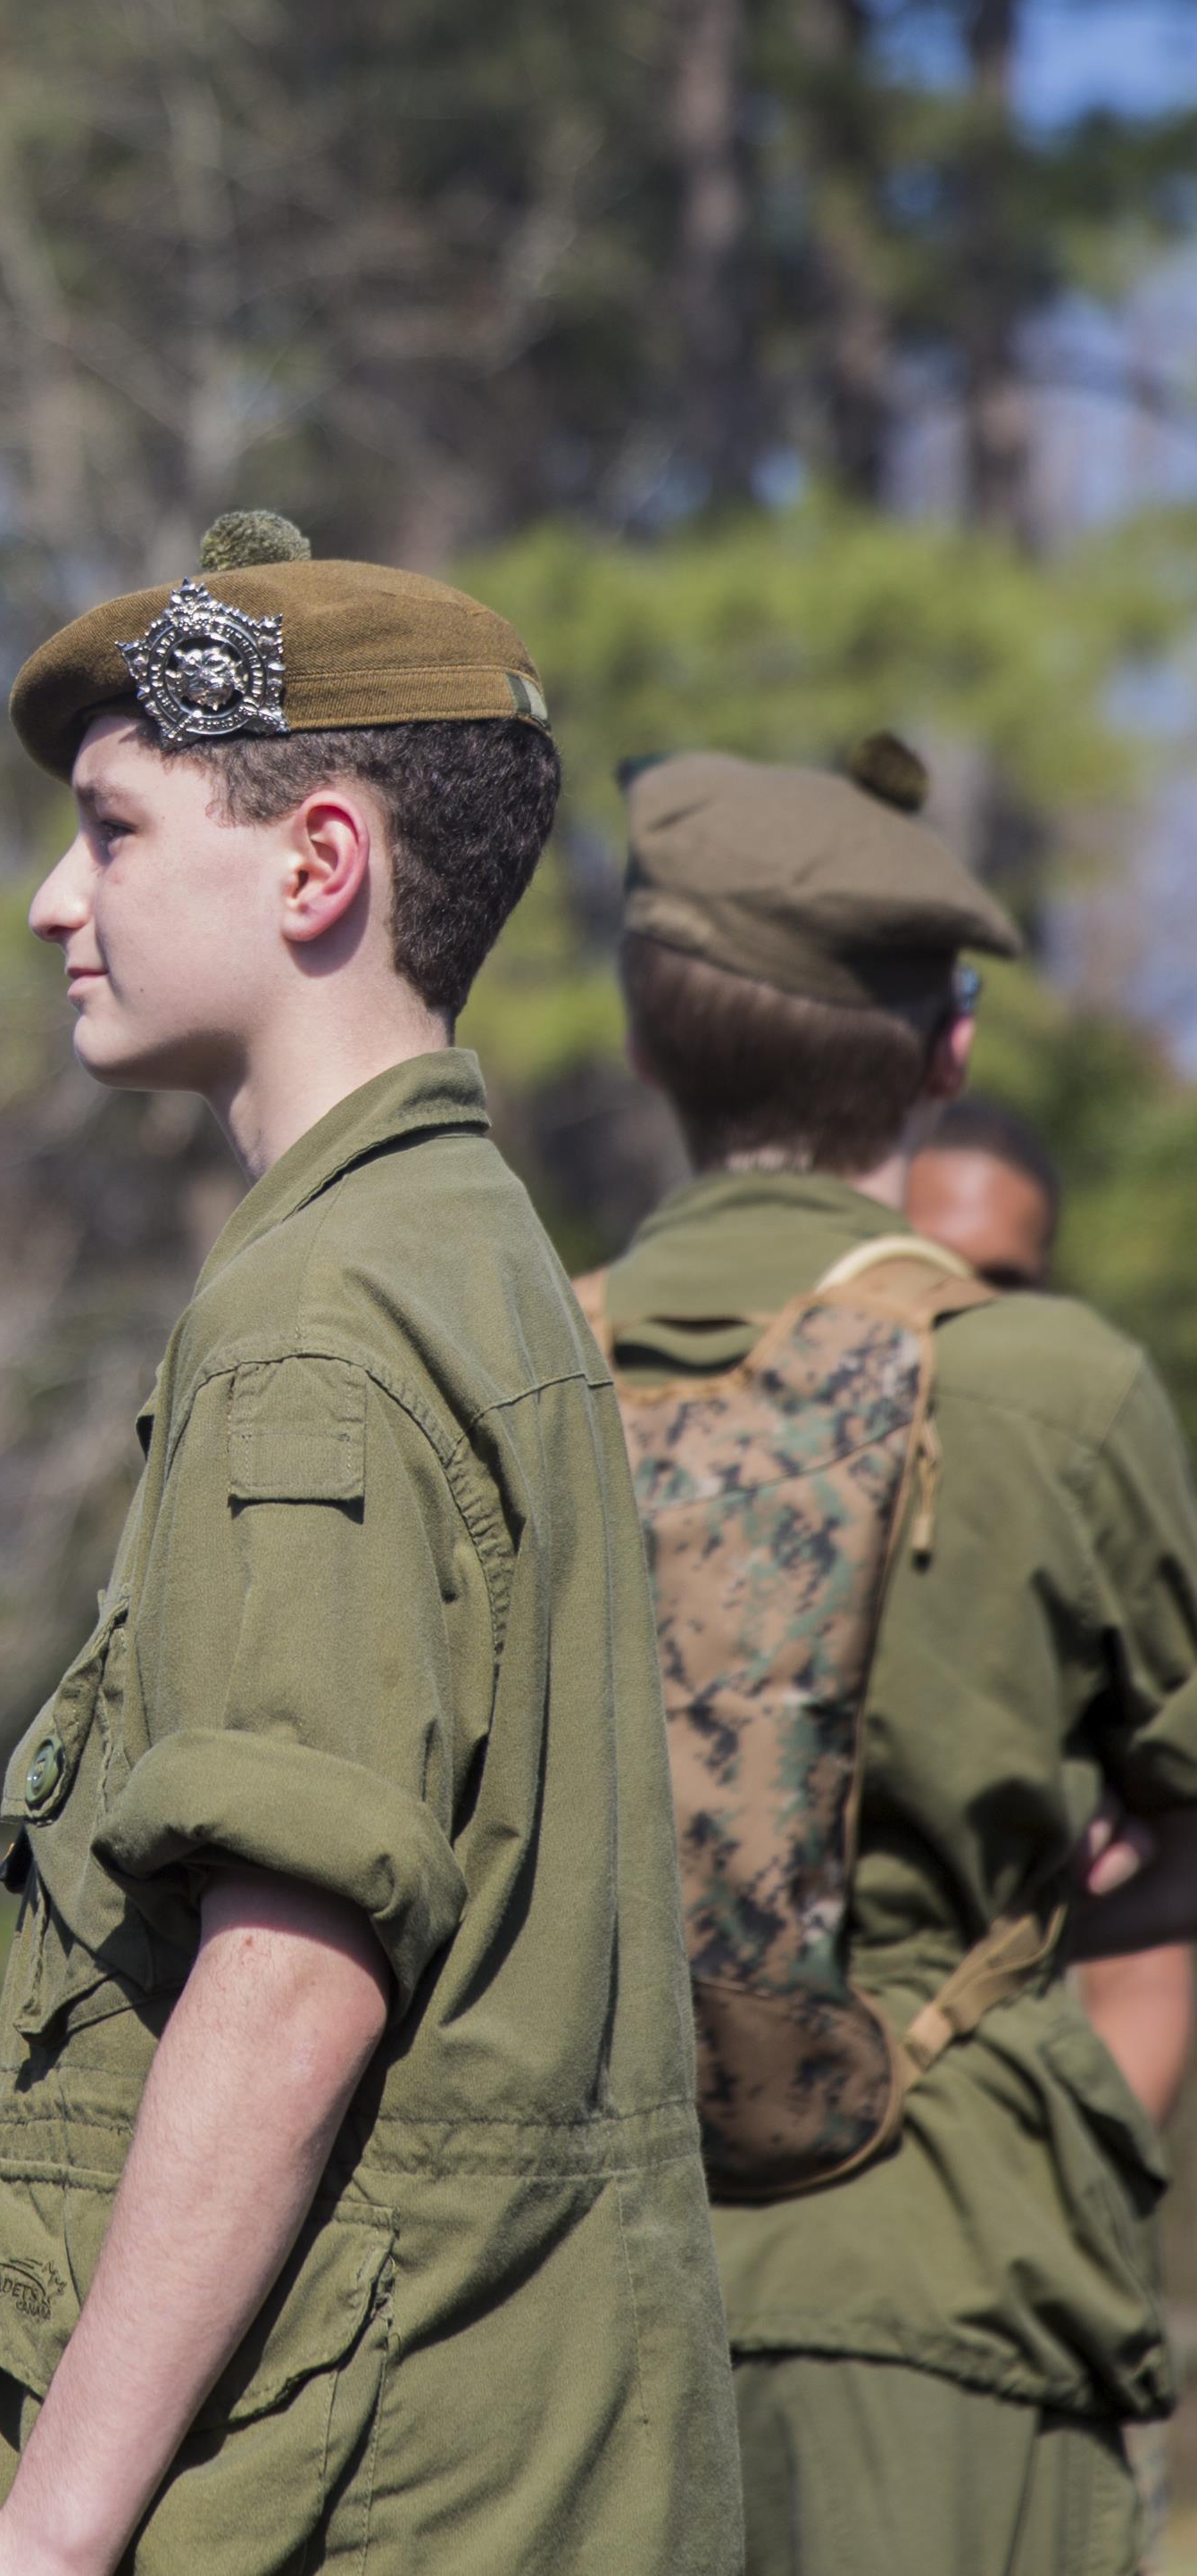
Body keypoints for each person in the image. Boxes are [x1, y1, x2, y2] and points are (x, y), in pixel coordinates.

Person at [0, 514, 737, 2572]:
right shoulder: (476, 1257)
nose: (44, 901)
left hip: (359, 2493)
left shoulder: (322, 1321)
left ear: (315, 866)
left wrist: (53, 2525)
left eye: (106, 831)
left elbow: (287, 1977)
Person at [590, 747, 1197, 2576]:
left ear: (641, 1042)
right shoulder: (1053, 1391)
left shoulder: (495, 1381)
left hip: (561, 2324)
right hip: (942, 2288)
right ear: (943, 1056)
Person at [902, 1099, 1193, 2128]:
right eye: (934, 1270)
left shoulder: (1075, 1508)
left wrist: (1089, 2188)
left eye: (1006, 1286)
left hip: (993, 2187)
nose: (971, 1314)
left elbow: (1148, 1973)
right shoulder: (763, 1472)